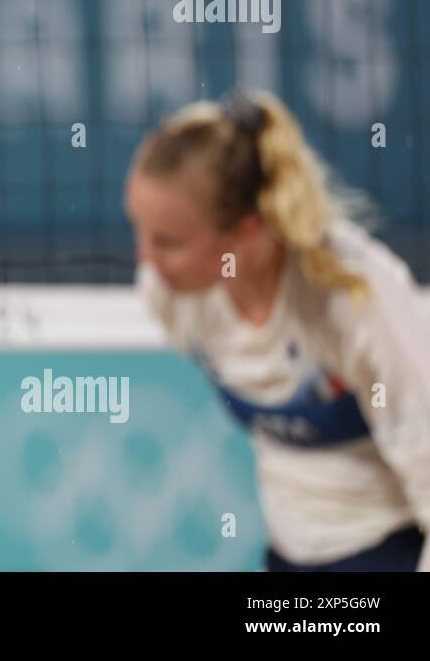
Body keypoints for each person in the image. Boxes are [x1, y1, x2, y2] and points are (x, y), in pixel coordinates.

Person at [124, 89, 430, 571]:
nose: (145, 258)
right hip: (288, 555)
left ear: (246, 232)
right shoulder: (172, 295)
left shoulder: (354, 299)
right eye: (138, 230)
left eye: (168, 241)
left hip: (389, 549)